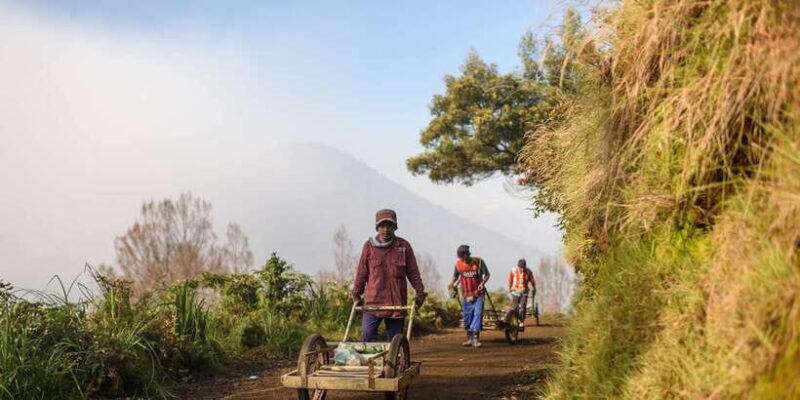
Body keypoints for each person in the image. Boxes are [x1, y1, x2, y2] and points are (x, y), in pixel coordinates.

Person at [352, 209, 426, 342]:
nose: (385, 229)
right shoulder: (369, 247)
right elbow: (362, 272)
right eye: (382, 226)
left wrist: (420, 292)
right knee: (367, 337)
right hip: (373, 302)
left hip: (396, 303)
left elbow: (413, 272)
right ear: (377, 228)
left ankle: (393, 362)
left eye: (389, 226)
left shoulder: (403, 246)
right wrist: (356, 293)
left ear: (395, 227)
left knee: (394, 341)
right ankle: (371, 362)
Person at [447, 244, 490, 348]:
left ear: (467, 255)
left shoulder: (478, 262)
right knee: (467, 317)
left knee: (477, 315)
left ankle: (476, 339)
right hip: (466, 295)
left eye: (463, 257)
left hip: (478, 294)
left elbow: (487, 274)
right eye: (460, 258)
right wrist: (451, 284)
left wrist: (482, 284)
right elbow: (455, 276)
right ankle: (469, 339)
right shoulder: (458, 264)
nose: (462, 260)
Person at [508, 258, 536, 326]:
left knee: (523, 306)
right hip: (515, 291)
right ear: (518, 267)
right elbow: (510, 280)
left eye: (523, 268)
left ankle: (521, 320)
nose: (522, 270)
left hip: (524, 292)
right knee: (515, 307)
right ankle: (515, 320)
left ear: (525, 267)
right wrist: (510, 289)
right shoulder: (513, 271)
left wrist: (534, 288)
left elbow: (532, 281)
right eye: (521, 268)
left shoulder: (528, 272)